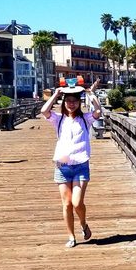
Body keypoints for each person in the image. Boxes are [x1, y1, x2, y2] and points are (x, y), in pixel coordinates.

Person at [41, 78, 102, 248]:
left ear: (79, 102)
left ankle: (83, 224)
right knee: (66, 204)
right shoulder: (58, 119)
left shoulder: (86, 119)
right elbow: (44, 110)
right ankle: (71, 236)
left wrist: (90, 94)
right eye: (68, 101)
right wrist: (56, 94)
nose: (71, 104)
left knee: (77, 203)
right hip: (62, 167)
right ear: (64, 102)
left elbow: (98, 111)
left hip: (81, 166)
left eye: (75, 101)